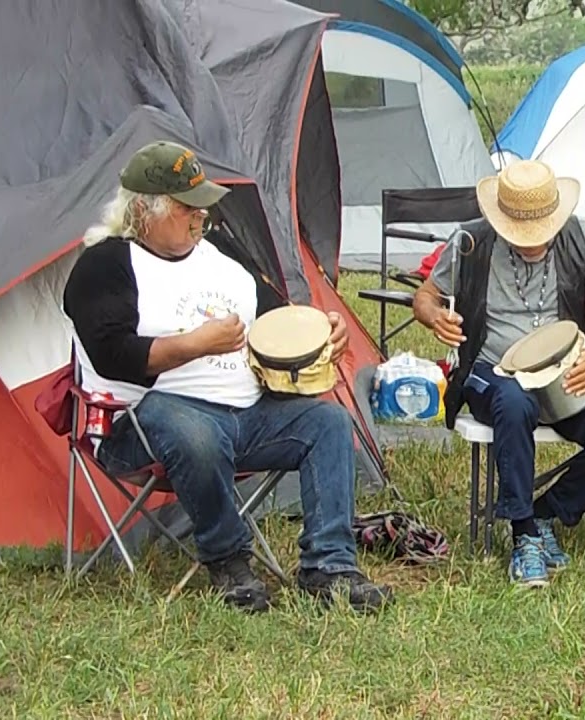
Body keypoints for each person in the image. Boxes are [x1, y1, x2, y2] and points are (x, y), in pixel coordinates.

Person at [63, 141, 391, 613]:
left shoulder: (219, 254)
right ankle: (230, 561)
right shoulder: (106, 265)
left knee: (329, 423)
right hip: (141, 423)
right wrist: (194, 344)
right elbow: (112, 354)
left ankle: (329, 567)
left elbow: (279, 322)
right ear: (142, 210)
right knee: (192, 431)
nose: (200, 218)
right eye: (186, 208)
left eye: (202, 207)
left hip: (246, 414)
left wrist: (322, 333)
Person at [411, 160, 585, 588]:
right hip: (489, 367)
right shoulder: (470, 241)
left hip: (562, 368)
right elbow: (427, 294)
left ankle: (544, 514)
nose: (532, 243)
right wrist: (433, 318)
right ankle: (522, 534)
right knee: (514, 400)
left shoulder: (584, 236)